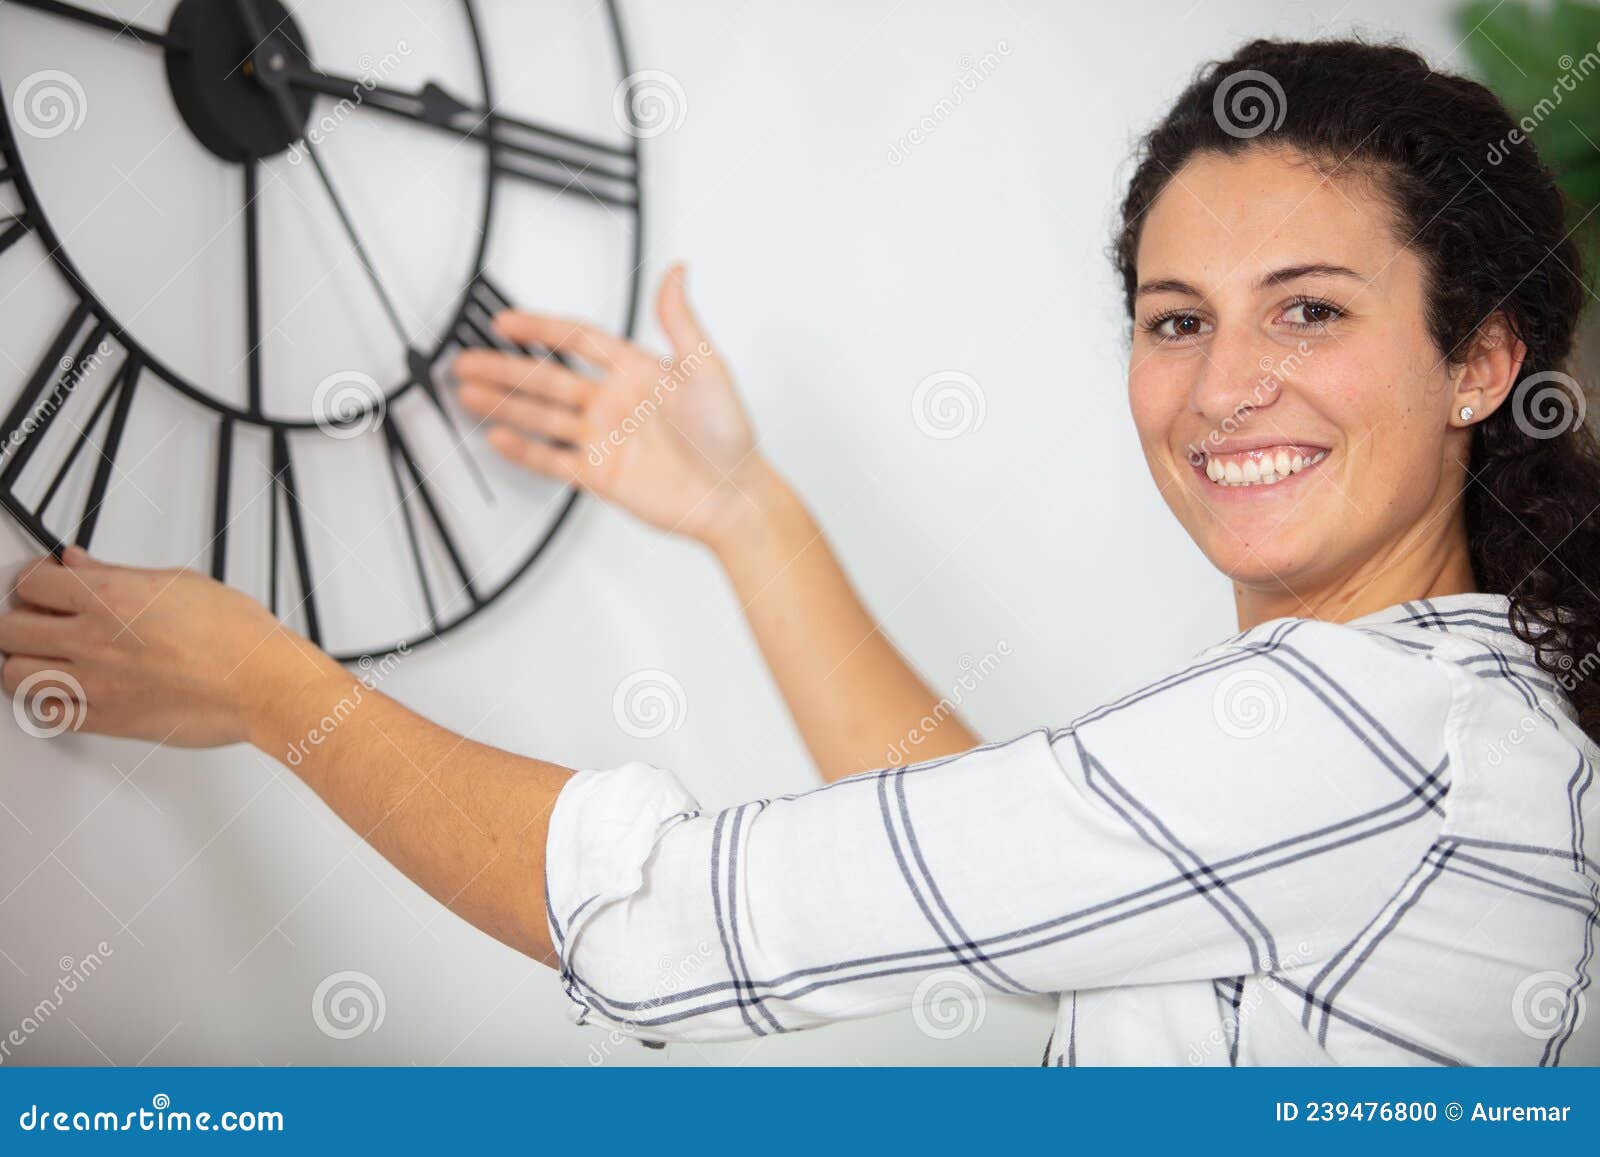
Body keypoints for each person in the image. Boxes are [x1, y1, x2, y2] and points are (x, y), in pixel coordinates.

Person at [2, 38, 1597, 1066]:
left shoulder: (1354, 730)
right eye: (1176, 320)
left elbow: (661, 927)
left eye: (1309, 310)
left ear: (1479, 359)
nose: (1226, 384)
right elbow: (1006, 881)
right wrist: (743, 509)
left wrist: (268, 687)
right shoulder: (1454, 712)